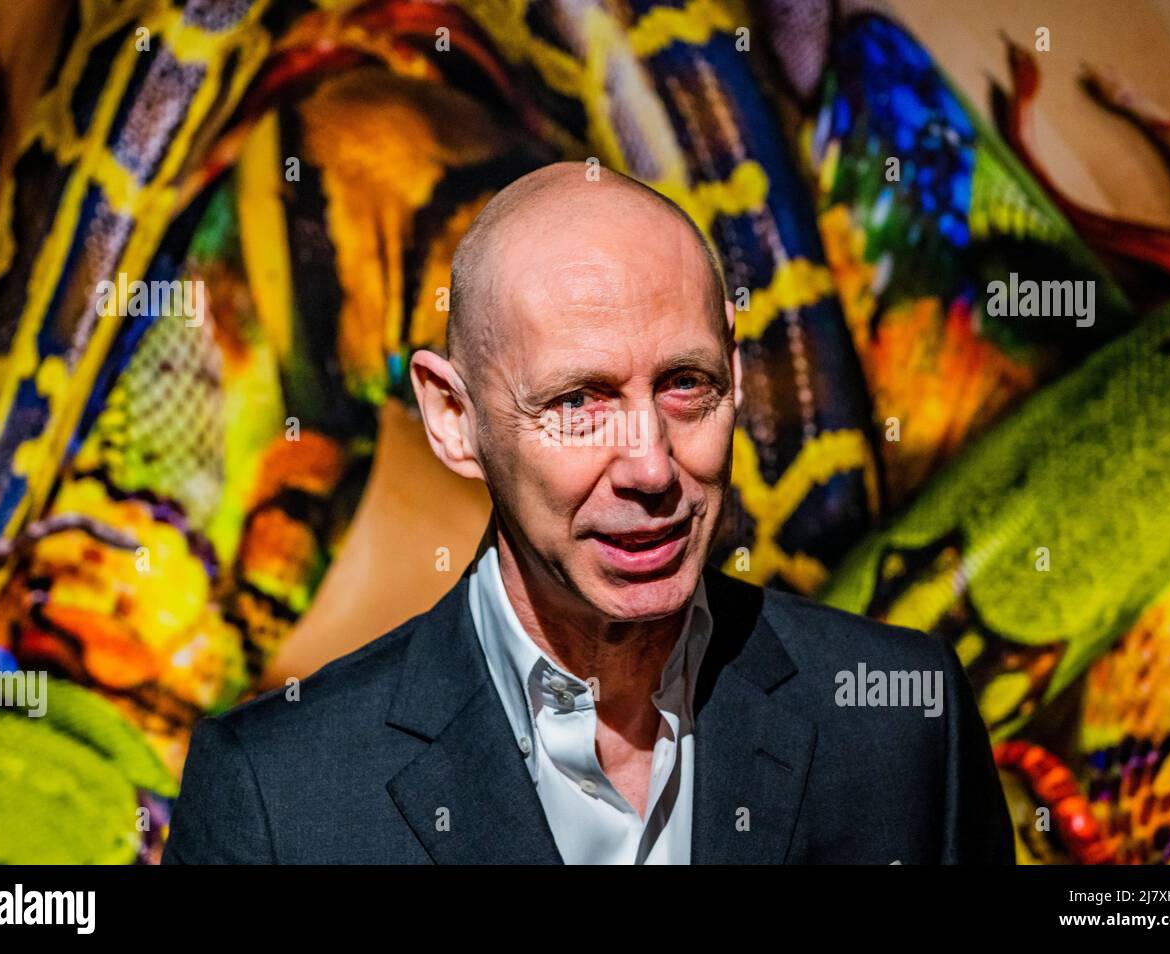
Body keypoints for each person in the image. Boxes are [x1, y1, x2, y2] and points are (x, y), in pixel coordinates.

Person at [163, 162, 1014, 864]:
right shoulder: (278, 799)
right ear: (452, 419)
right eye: (578, 402)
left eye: (687, 384)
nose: (651, 464)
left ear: (736, 375)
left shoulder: (903, 725)